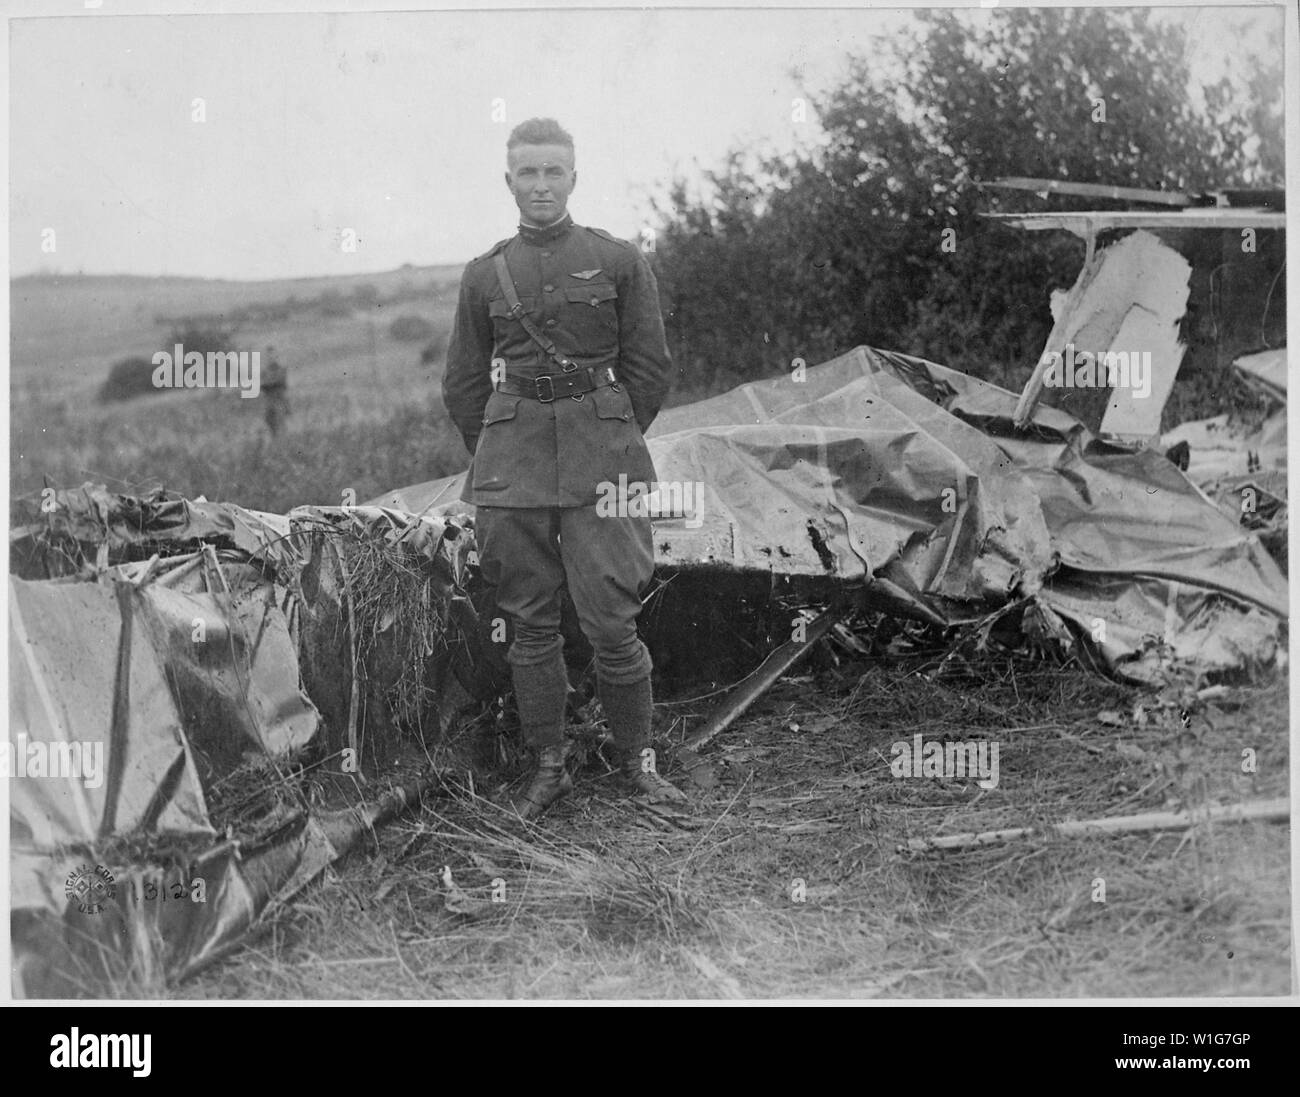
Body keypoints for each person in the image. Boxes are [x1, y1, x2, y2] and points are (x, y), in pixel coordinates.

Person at [442, 117, 686, 818]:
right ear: (509, 180)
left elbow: (649, 368)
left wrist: (609, 434)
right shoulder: (485, 273)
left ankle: (639, 764)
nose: (541, 185)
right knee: (529, 624)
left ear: (573, 178)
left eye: (554, 171)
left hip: (601, 464)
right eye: (528, 172)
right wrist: (497, 451)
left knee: (613, 618)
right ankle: (548, 768)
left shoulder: (617, 261)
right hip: (512, 469)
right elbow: (463, 383)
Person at [261, 347, 289, 435]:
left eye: (273, 356)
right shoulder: (265, 371)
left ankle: (282, 441)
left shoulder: (281, 369)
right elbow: (262, 384)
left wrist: (269, 383)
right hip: (269, 400)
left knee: (280, 422)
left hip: (279, 400)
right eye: (269, 357)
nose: (271, 359)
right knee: (269, 420)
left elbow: (280, 382)